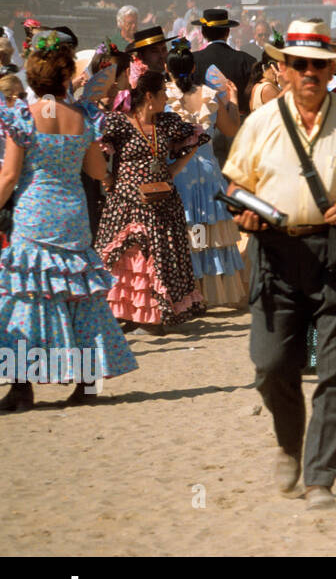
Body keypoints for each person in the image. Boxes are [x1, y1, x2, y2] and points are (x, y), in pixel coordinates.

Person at [223, 19, 336, 509]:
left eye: (318, 65)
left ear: (331, 69)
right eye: (299, 64)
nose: (308, 73)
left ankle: (321, 476)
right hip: (275, 255)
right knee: (270, 364)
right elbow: (236, 186)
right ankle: (287, 443)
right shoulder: (261, 122)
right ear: (283, 67)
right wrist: (246, 213)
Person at [0, 30, 138, 411]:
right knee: (81, 297)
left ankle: (23, 387)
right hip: (73, 214)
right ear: (64, 76)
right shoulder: (81, 117)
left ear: (33, 75)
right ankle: (86, 383)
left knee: (29, 297)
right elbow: (96, 170)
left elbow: (9, 176)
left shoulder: (23, 117)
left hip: (34, 215)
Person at [96, 61, 208, 332]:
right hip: (126, 204)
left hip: (162, 203)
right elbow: (95, 152)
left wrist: (172, 169)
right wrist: (108, 180)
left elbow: (196, 139)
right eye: (162, 92)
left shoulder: (168, 123)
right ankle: (124, 312)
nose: (166, 98)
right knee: (129, 258)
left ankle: (154, 314)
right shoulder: (119, 123)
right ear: (149, 96)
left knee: (160, 256)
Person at [165, 41, 246, 308]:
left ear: (168, 69)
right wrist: (232, 100)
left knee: (186, 228)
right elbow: (232, 129)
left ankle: (190, 294)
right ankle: (211, 294)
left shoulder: (162, 96)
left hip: (179, 172)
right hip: (208, 170)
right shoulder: (210, 95)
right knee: (208, 227)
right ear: (193, 67)